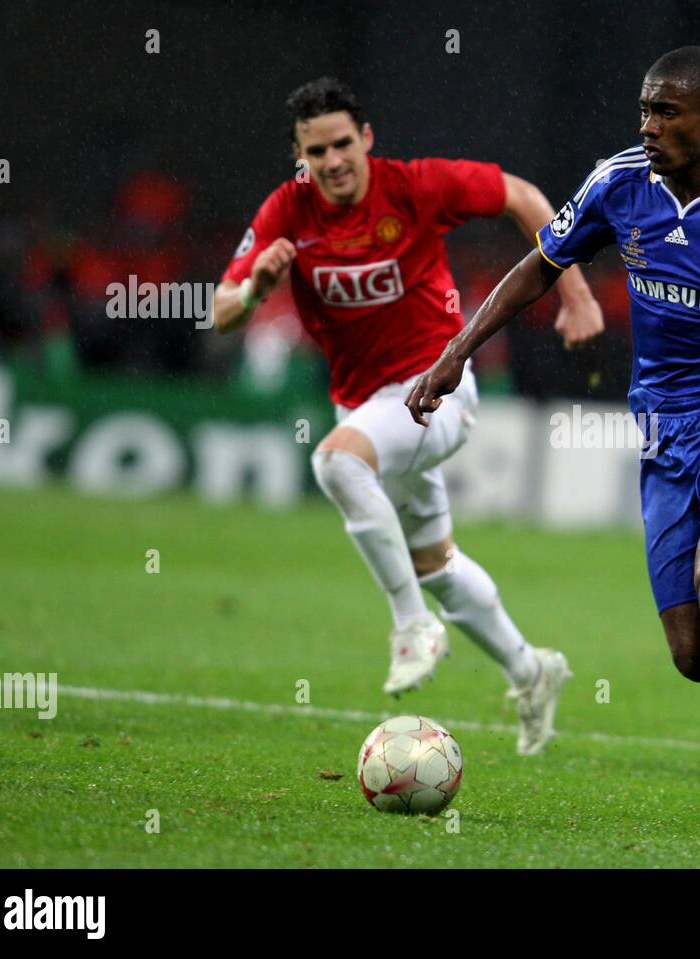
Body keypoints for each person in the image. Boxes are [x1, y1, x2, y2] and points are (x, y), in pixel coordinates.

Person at [407, 48, 700, 839]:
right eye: (645, 109)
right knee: (697, 653)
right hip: (665, 428)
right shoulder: (619, 181)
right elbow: (542, 262)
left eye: (668, 112)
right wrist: (457, 351)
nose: (650, 126)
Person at [214, 77, 604, 755]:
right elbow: (222, 312)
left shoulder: (416, 186)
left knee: (337, 461)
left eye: (343, 143)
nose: (333, 161)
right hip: (365, 404)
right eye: (316, 151)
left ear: (365, 139)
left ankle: (410, 627)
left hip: (436, 390)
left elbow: (522, 196)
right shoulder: (287, 209)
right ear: (298, 155)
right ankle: (531, 670)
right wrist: (256, 287)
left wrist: (572, 290)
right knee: (435, 563)